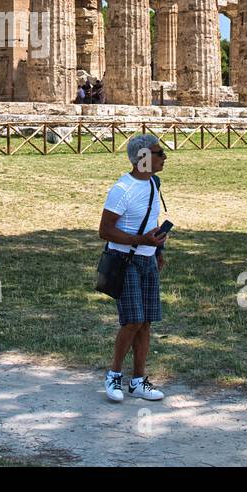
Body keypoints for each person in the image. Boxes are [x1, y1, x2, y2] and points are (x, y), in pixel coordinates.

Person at [98, 133, 169, 404]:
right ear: (142, 158)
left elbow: (151, 219)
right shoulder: (122, 189)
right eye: (158, 152)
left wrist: (158, 248)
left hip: (148, 260)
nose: (164, 157)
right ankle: (114, 374)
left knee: (146, 322)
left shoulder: (154, 182)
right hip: (124, 260)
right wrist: (141, 241)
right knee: (132, 321)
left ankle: (139, 380)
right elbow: (105, 230)